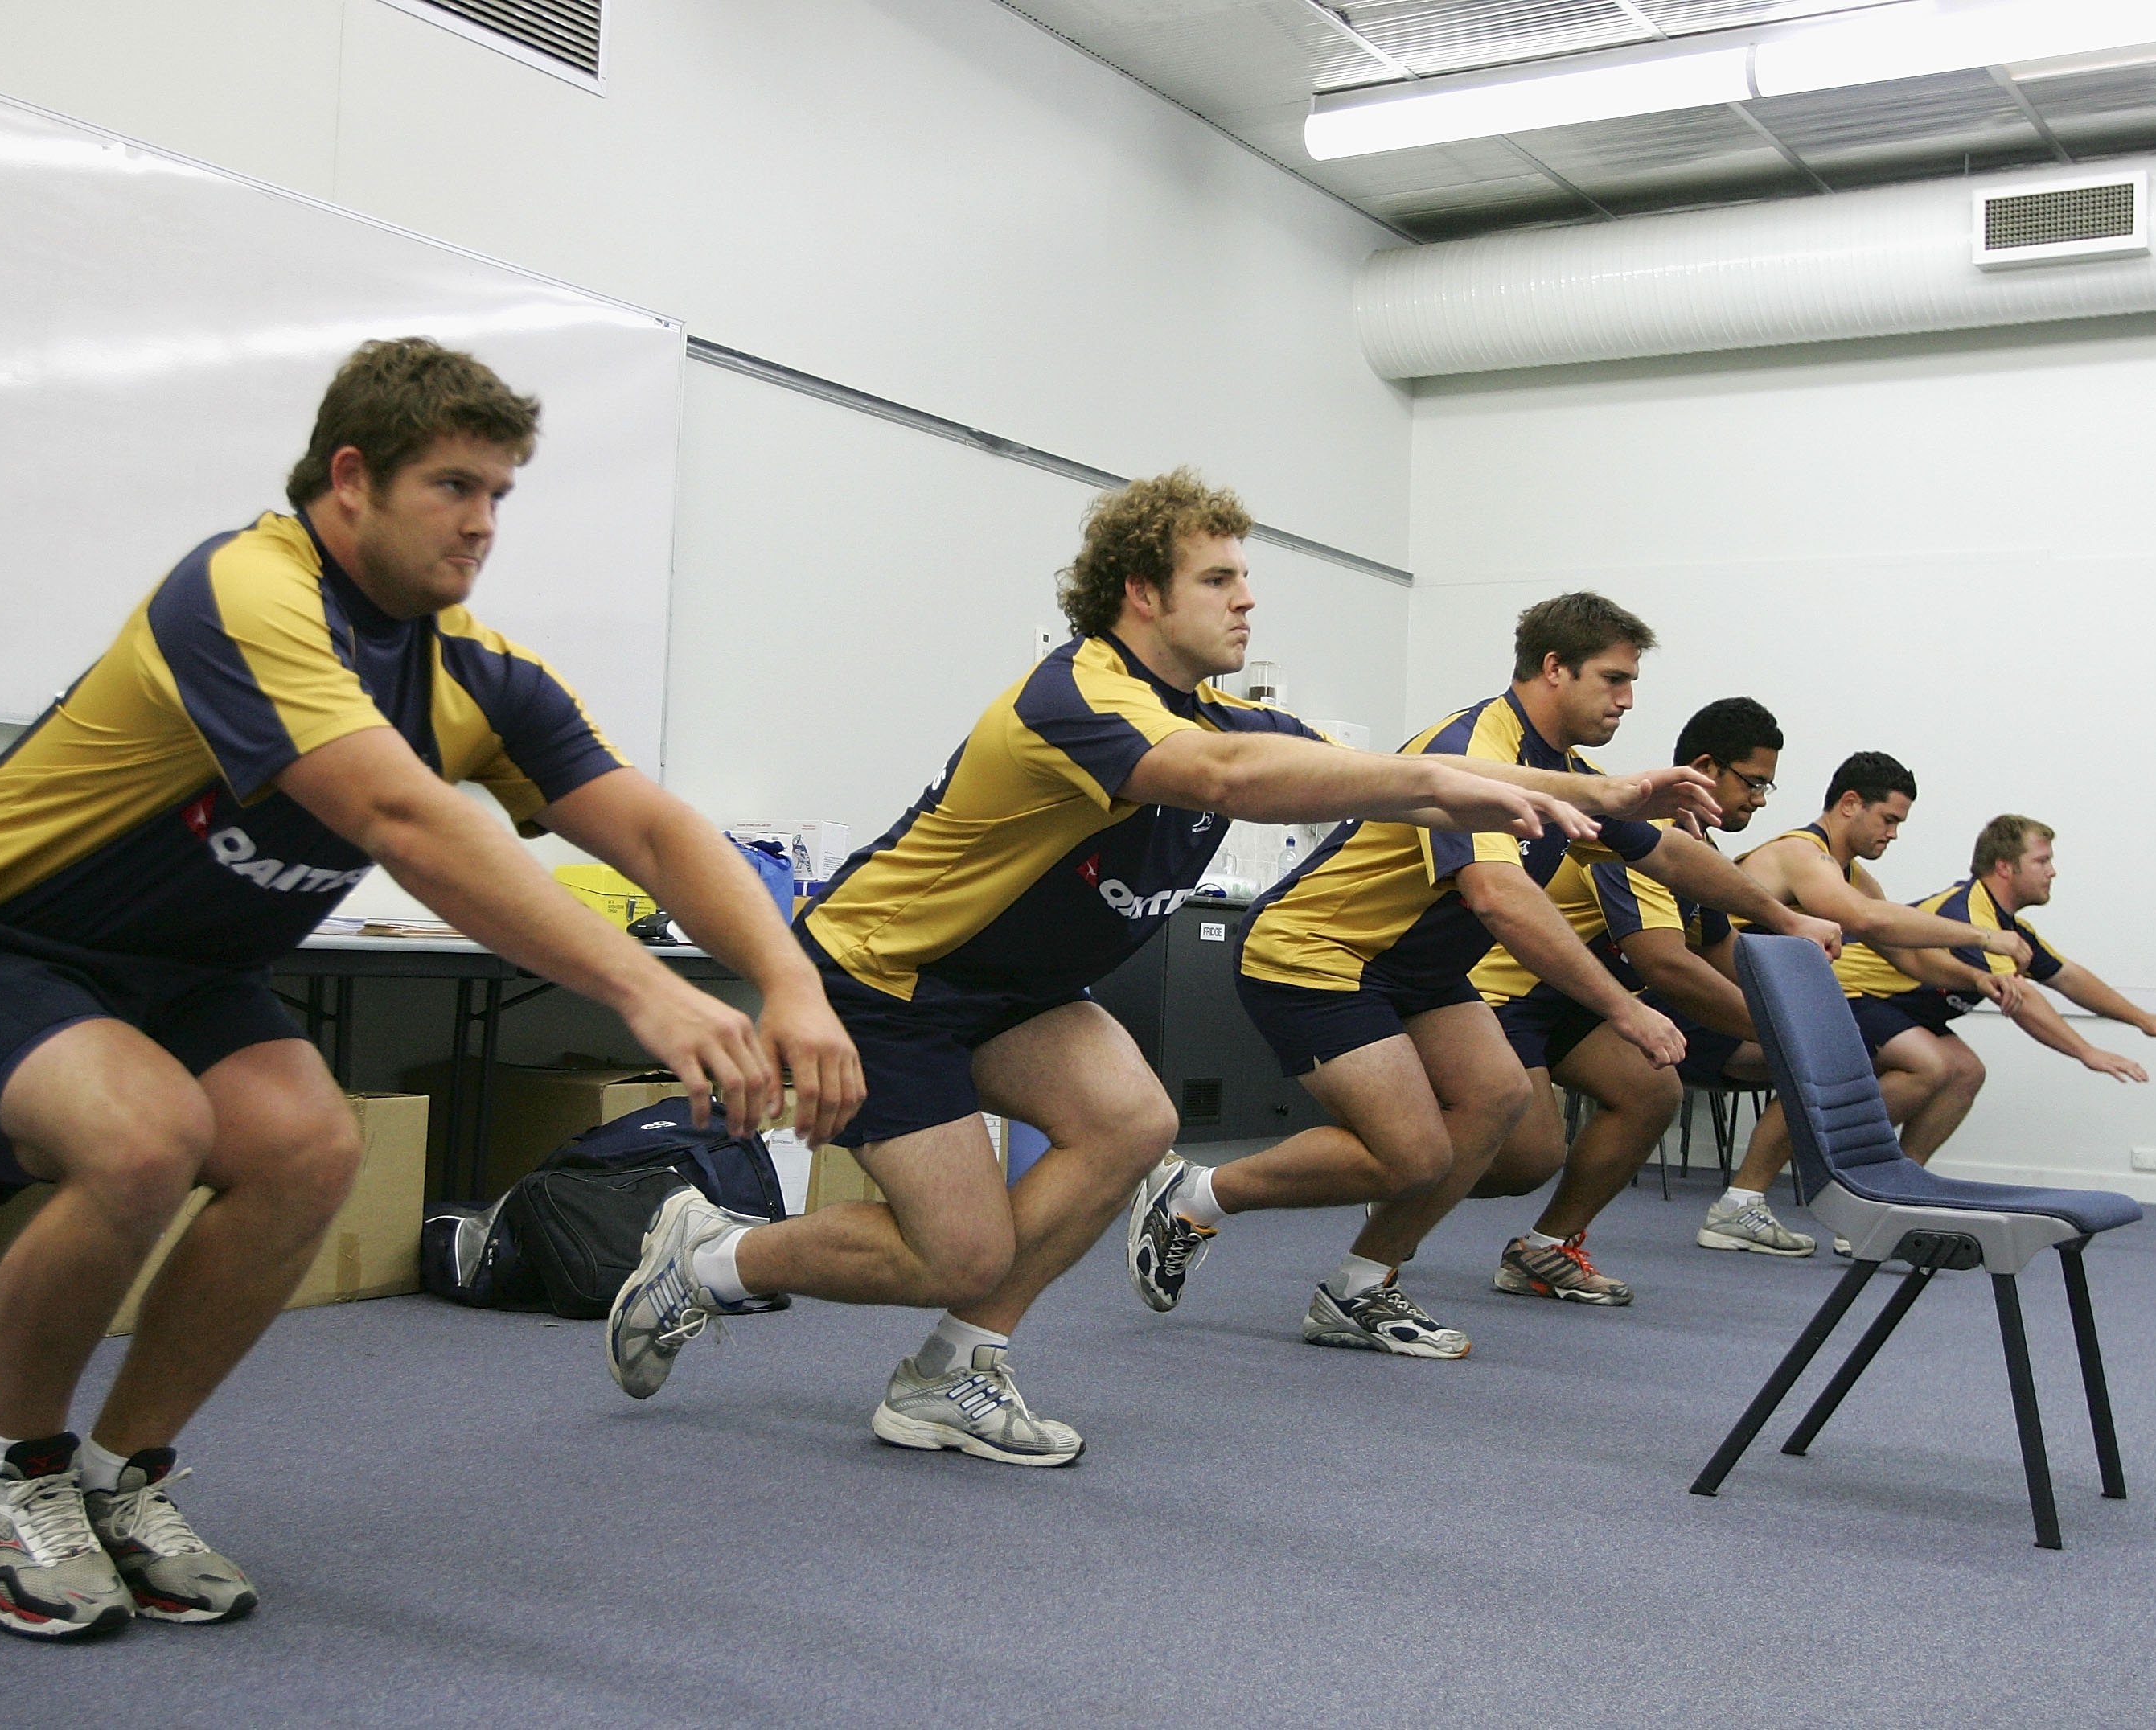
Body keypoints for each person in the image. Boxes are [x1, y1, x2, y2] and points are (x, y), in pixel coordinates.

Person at [0, 339, 862, 1639]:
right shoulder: (242, 592)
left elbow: (652, 830)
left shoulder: (469, 672)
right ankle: (13, 1471)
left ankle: (121, 1477)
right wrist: (646, 995)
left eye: (500, 495)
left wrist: (791, 981)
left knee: (313, 1147)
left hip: (180, 969)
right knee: (147, 1136)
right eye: (455, 487)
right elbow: (403, 817)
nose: (483, 523)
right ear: (353, 477)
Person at [602, 471, 1598, 1465]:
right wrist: (1435, 777)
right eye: (1218, 578)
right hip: (882, 979)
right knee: (958, 1249)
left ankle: (952, 1373)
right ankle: (712, 1258)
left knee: (1132, 1121)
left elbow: (1404, 791)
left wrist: (1599, 793)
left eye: (1244, 576)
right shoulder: (1076, 695)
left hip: (1010, 990)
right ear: (1141, 593)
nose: (1247, 597)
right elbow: (1227, 780)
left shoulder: (1213, 715)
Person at [1125, 594, 1839, 1356]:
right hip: (1317, 952)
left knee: (1499, 1103)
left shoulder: (1566, 772)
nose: (1628, 700)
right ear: (1555, 668)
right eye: (1613, 679)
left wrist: (1786, 917)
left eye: (1633, 682)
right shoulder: (1475, 748)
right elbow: (1500, 898)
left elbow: (1665, 852)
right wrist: (1624, 1010)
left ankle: (1359, 1286)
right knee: (1412, 1152)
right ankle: (1195, 1193)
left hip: (1418, 969)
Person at [1460, 697, 1797, 1301]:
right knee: (1529, 1159)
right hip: (1504, 994)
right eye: (1753, 782)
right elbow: (1664, 964)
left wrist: (1799, 1016)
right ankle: (1411, 1172)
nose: (1761, 799)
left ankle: (1543, 1250)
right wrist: (1788, 1037)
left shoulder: (1700, 855)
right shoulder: (1645, 837)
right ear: (1705, 767)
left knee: (1650, 1091)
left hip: (1568, 1003)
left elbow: (1725, 952)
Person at [1695, 751, 2031, 1254]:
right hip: (1698, 1016)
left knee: (1959, 1068)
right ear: (1850, 804)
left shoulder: (1849, 874)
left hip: (1749, 1021)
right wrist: (1985, 937)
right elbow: (1869, 920)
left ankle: (1894, 1196)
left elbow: (1907, 955)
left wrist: (1974, 979)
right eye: (1889, 819)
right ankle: (1743, 1205)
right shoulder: (1801, 854)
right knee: (1847, 1061)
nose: (1893, 834)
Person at [1824, 813, 2156, 1161]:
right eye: (2041, 861)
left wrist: (2143, 1019)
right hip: (1852, 993)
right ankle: (1835, 1153)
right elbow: (2022, 999)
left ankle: (1905, 1176)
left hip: (1901, 1008)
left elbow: (2067, 976)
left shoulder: (2010, 931)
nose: (2052, 872)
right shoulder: (1968, 914)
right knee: (1932, 1066)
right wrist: (2087, 1052)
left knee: (1968, 1072)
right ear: (2005, 867)